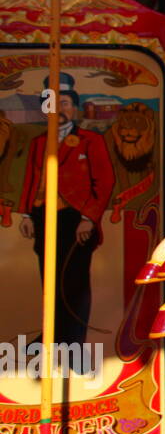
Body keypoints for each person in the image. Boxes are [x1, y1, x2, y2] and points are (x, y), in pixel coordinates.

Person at [18, 73, 115, 364]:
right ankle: (52, 338)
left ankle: (74, 345)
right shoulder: (38, 142)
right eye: (53, 103)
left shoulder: (90, 141)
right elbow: (32, 178)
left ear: (75, 107)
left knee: (74, 282)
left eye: (66, 103)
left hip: (76, 220)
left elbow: (105, 181)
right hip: (43, 217)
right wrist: (26, 212)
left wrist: (89, 217)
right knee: (49, 279)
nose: (60, 108)